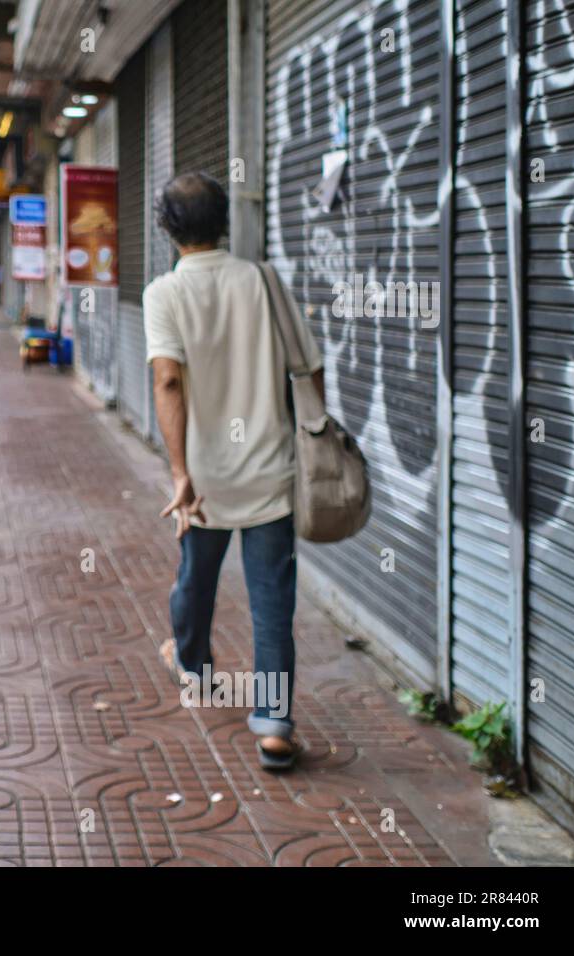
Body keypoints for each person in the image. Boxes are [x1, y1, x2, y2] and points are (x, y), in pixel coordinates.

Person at [143, 172, 324, 771]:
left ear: (168, 229)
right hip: (270, 471)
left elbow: (168, 380)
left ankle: (193, 665)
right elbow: (309, 367)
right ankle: (274, 723)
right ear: (225, 222)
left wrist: (179, 472)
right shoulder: (263, 281)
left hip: (206, 476)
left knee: (196, 578)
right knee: (273, 603)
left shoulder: (165, 293)